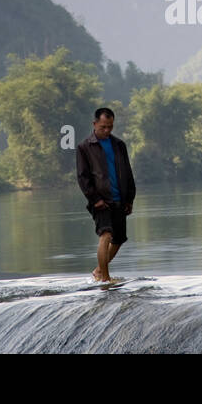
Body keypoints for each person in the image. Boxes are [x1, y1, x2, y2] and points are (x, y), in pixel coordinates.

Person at [75, 107, 137, 282]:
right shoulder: (85, 147)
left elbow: (127, 172)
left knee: (118, 240)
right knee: (106, 235)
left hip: (120, 199)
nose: (107, 130)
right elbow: (83, 177)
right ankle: (105, 279)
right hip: (100, 201)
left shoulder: (119, 145)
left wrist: (129, 199)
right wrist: (95, 199)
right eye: (103, 127)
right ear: (94, 124)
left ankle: (98, 271)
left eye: (110, 126)